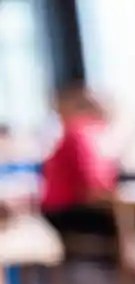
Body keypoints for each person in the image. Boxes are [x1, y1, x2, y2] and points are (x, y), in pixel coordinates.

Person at [40, 85, 118, 238]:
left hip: (58, 209)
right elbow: (93, 183)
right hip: (67, 210)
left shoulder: (78, 133)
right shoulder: (82, 134)